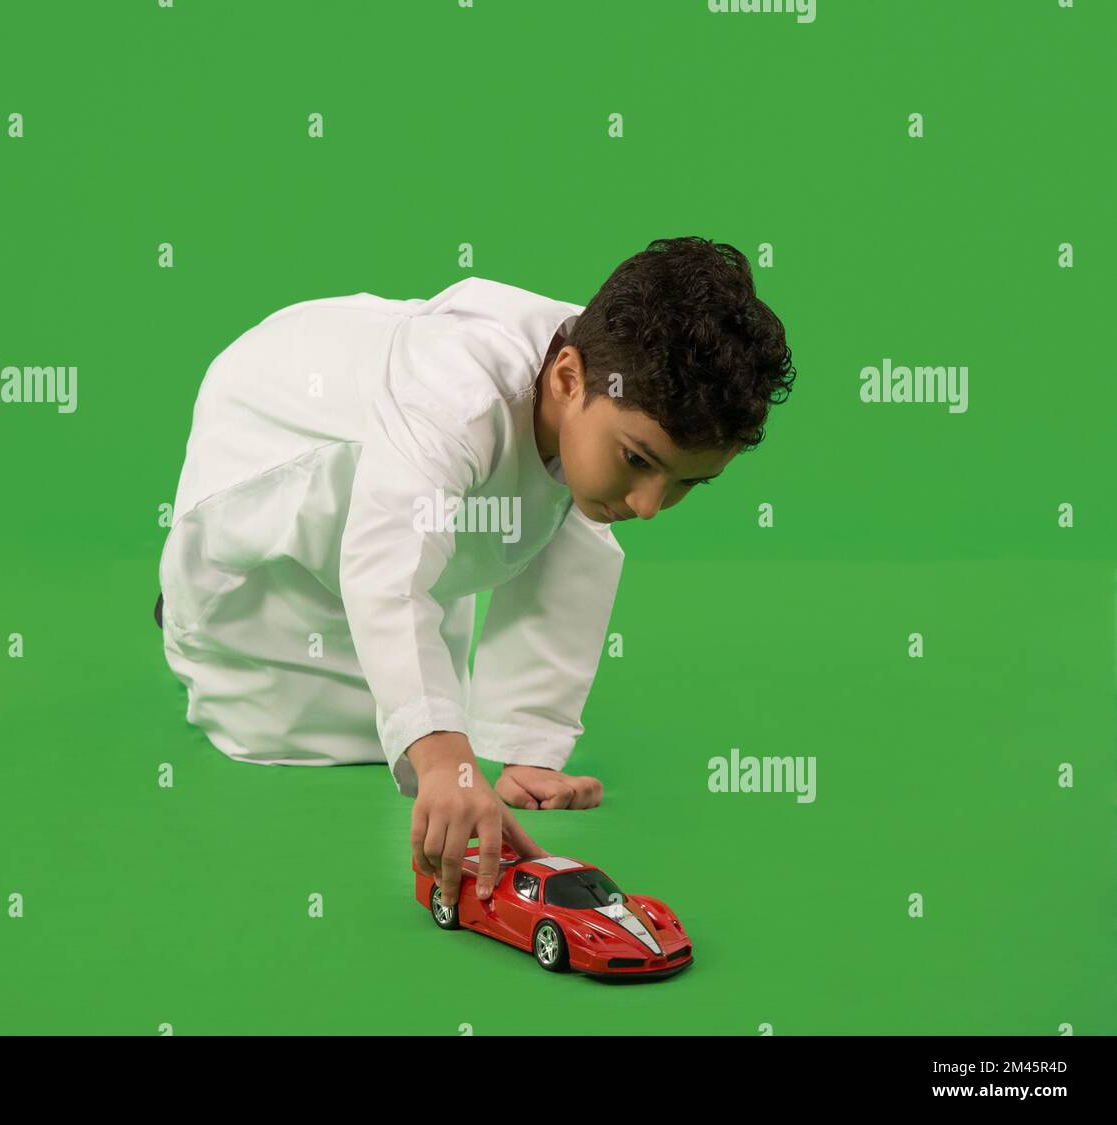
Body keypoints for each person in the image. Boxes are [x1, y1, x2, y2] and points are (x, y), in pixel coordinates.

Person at [156, 236, 796, 910]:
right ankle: (181, 614)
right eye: (638, 461)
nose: (649, 505)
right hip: (265, 466)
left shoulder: (617, 374)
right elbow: (384, 561)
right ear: (567, 379)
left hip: (408, 509)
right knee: (272, 722)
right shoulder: (455, 393)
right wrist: (441, 756)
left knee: (416, 694)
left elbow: (572, 545)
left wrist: (526, 749)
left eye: (685, 483)